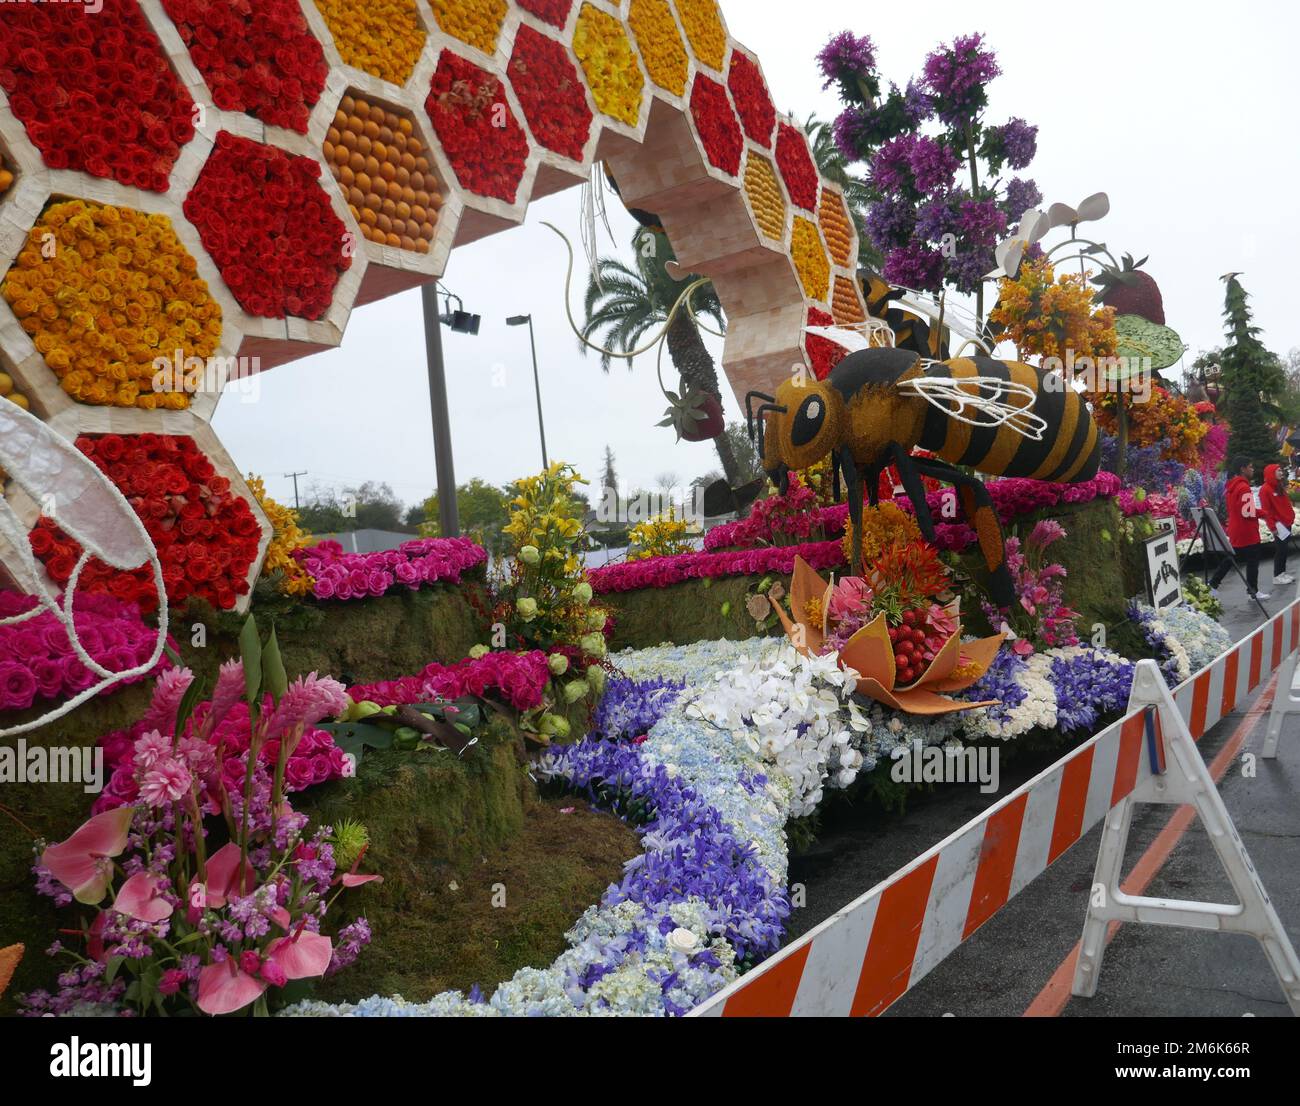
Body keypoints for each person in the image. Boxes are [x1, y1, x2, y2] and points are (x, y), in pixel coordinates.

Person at [1209, 456, 1269, 601]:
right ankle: (1253, 591)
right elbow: (1248, 512)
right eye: (1250, 466)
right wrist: (1265, 513)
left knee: (1231, 558)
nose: (1252, 469)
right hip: (1247, 531)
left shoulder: (1232, 486)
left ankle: (1213, 584)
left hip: (1236, 529)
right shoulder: (1243, 487)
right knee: (1252, 562)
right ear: (1243, 469)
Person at [1259, 462, 1295, 588]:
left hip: (1286, 523)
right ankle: (1277, 575)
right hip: (1278, 525)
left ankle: (1282, 573)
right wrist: (1272, 526)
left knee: (1284, 550)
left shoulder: (1278, 486)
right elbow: (1266, 511)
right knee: (1281, 550)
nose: (1281, 473)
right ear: (1271, 473)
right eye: (1278, 471)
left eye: (1281, 470)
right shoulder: (1265, 489)